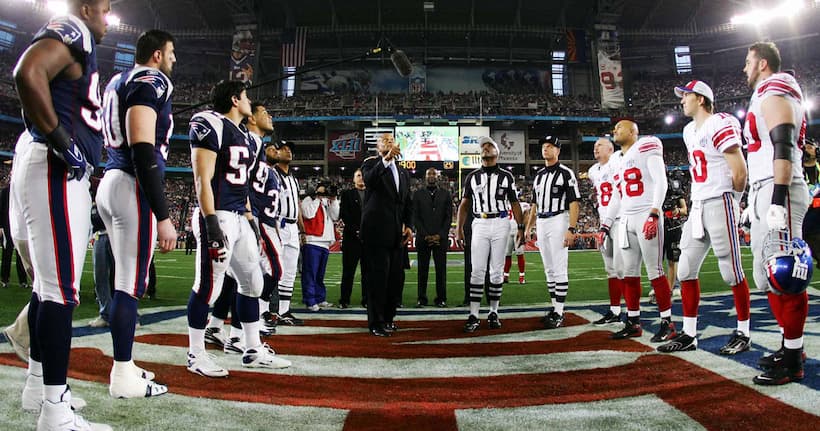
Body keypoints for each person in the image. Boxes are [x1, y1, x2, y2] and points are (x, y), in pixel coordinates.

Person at [11, 0, 112, 428]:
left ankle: (39, 387)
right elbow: (27, 73)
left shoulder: (81, 39)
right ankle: (55, 410)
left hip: (48, 167)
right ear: (87, 8)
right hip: (53, 169)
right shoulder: (74, 28)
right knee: (60, 293)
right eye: (105, 9)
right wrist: (61, 140)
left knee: (45, 289)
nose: (108, 19)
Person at [186, 80, 291, 378]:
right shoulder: (210, 122)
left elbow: (243, 182)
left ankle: (251, 347)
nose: (249, 102)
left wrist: (249, 218)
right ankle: (195, 354)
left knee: (253, 284)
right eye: (245, 97)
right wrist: (210, 222)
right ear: (235, 100)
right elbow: (202, 178)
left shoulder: (248, 138)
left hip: (239, 218)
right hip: (217, 214)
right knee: (207, 286)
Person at [98, 29, 179, 398]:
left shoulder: (118, 79)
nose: (175, 60)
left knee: (123, 283)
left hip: (111, 180)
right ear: (158, 55)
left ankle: (125, 364)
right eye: (172, 53)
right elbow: (144, 149)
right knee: (130, 286)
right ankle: (121, 376)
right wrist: (163, 214)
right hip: (132, 184)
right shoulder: (152, 79)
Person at [656, 80, 751, 355]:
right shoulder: (688, 130)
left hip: (720, 199)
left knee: (731, 270)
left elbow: (740, 171)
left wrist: (733, 202)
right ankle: (689, 334)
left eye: (686, 95)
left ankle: (743, 332)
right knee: (685, 269)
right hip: (698, 205)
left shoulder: (720, 122)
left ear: (700, 99)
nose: (681, 100)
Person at [742, 42, 810, 385]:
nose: (744, 68)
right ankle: (791, 345)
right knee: (765, 276)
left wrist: (777, 198)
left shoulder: (774, 87)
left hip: (777, 186)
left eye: (748, 61)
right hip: (763, 186)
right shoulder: (766, 92)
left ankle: (793, 358)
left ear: (763, 63)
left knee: (785, 274)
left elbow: (782, 142)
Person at [603, 120, 676, 342]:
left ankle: (667, 323)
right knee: (628, 273)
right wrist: (606, 224)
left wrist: (654, 212)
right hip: (625, 218)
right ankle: (633, 322)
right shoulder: (616, 159)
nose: (615, 130)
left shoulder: (647, 145)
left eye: (620, 127)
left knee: (654, 270)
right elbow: (617, 195)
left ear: (634, 131)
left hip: (645, 213)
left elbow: (660, 181)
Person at [455, 137, 524, 332]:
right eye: (483, 147)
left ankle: (494, 312)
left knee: (496, 270)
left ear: (497, 152)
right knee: (477, 270)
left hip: (501, 222)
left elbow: (514, 203)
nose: (485, 149)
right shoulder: (472, 177)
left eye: (490, 146)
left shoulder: (506, 177)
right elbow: (465, 204)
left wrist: (520, 227)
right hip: (480, 222)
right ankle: (474, 314)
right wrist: (459, 228)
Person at [360, 132, 413, 337]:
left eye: (391, 140)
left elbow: (407, 200)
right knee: (377, 279)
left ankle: (389, 318)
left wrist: (409, 224)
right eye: (385, 141)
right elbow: (370, 181)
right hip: (375, 231)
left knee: (395, 279)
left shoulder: (402, 171)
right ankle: (376, 322)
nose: (389, 143)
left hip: (396, 235)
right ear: (377, 146)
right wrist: (386, 159)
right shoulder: (370, 163)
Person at [525, 136, 580, 329]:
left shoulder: (566, 173)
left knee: (559, 266)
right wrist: (528, 226)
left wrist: (571, 228)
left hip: (558, 219)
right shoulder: (539, 175)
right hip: (541, 220)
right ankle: (555, 307)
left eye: (550, 146)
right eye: (544, 146)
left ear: (558, 150)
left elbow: (574, 202)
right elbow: (534, 204)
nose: (545, 149)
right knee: (548, 268)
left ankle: (559, 310)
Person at [587, 138, 624, 325]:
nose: (595, 148)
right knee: (610, 269)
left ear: (610, 148)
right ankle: (615, 310)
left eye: (599, 145)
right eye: (594, 146)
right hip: (604, 222)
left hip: (619, 220)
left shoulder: (618, 161)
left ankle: (633, 312)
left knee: (622, 268)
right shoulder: (593, 171)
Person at [270, 139, 305, 326]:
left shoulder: (293, 178)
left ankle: (284, 311)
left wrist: (302, 230)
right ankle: (265, 311)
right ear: (275, 153)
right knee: (273, 269)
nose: (288, 152)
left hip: (292, 227)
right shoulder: (272, 174)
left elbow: (297, 205)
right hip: (278, 224)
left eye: (290, 149)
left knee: (290, 272)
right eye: (284, 149)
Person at [412, 168, 453, 308]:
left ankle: (441, 298)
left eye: (433, 174)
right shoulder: (417, 194)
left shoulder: (446, 194)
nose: (431, 176)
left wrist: (439, 235)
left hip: (440, 239)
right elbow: (415, 217)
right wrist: (426, 235)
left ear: (438, 176)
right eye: (428, 174)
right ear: (425, 177)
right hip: (423, 238)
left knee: (441, 271)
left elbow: (448, 218)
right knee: (422, 271)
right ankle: (421, 298)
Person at [300, 183, 340, 311]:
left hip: (325, 242)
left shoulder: (327, 202)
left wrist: (333, 200)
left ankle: (320, 298)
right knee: (310, 273)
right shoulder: (308, 199)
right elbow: (308, 214)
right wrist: (317, 198)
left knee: (320, 274)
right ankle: (310, 300)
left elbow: (335, 216)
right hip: (313, 240)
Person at [338, 169, 366, 308]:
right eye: (359, 176)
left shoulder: (372, 194)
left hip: (368, 241)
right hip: (352, 239)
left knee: (368, 273)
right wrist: (356, 230)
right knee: (348, 272)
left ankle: (366, 300)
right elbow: (344, 214)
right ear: (353, 179)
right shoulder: (347, 194)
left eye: (363, 176)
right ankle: (344, 300)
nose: (361, 178)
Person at [89, 201, 113, 328]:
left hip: (117, 233)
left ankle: (130, 315)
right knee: (100, 277)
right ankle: (105, 313)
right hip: (99, 235)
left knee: (121, 278)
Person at [0, 185, 29, 289]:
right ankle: (4, 279)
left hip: (19, 227)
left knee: (21, 254)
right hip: (7, 227)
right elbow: (1, 209)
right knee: (7, 253)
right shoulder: (5, 191)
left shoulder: (22, 190)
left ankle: (23, 280)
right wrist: (1, 227)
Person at [504, 195, 529, 285]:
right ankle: (505, 276)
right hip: (507, 230)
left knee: (520, 253)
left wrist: (522, 230)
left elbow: (526, 217)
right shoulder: (505, 204)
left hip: (517, 230)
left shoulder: (522, 205)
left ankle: (521, 276)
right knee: (507, 254)